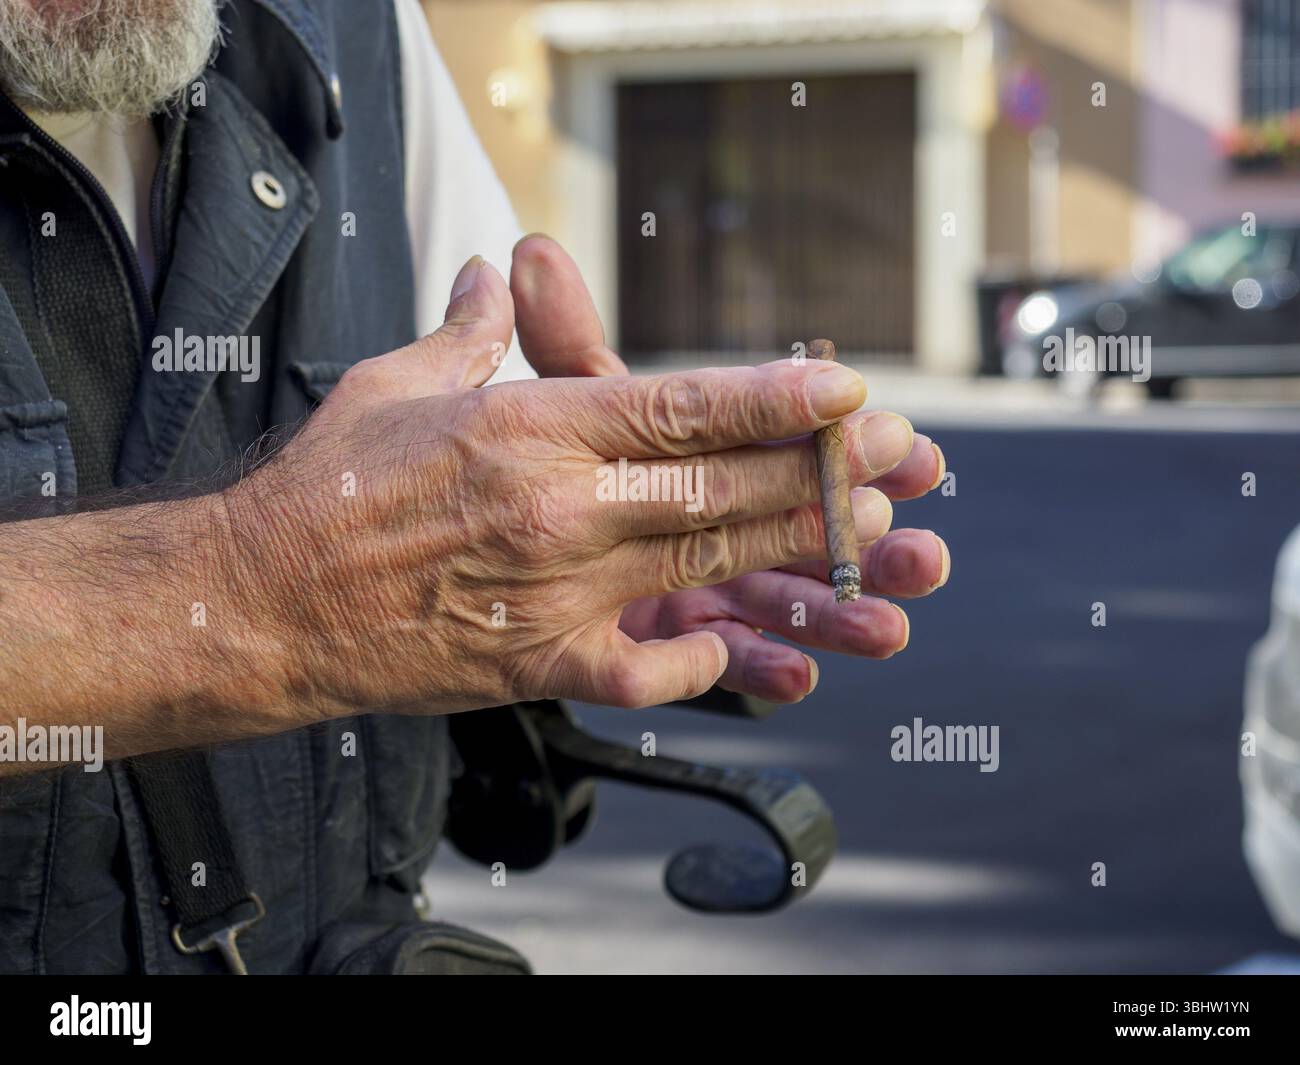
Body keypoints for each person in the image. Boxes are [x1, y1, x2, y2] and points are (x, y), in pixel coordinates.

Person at [0, 0, 951, 974]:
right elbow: (346, 564)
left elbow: (473, 478)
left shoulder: (355, 32)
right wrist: (269, 597)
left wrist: (582, 546)